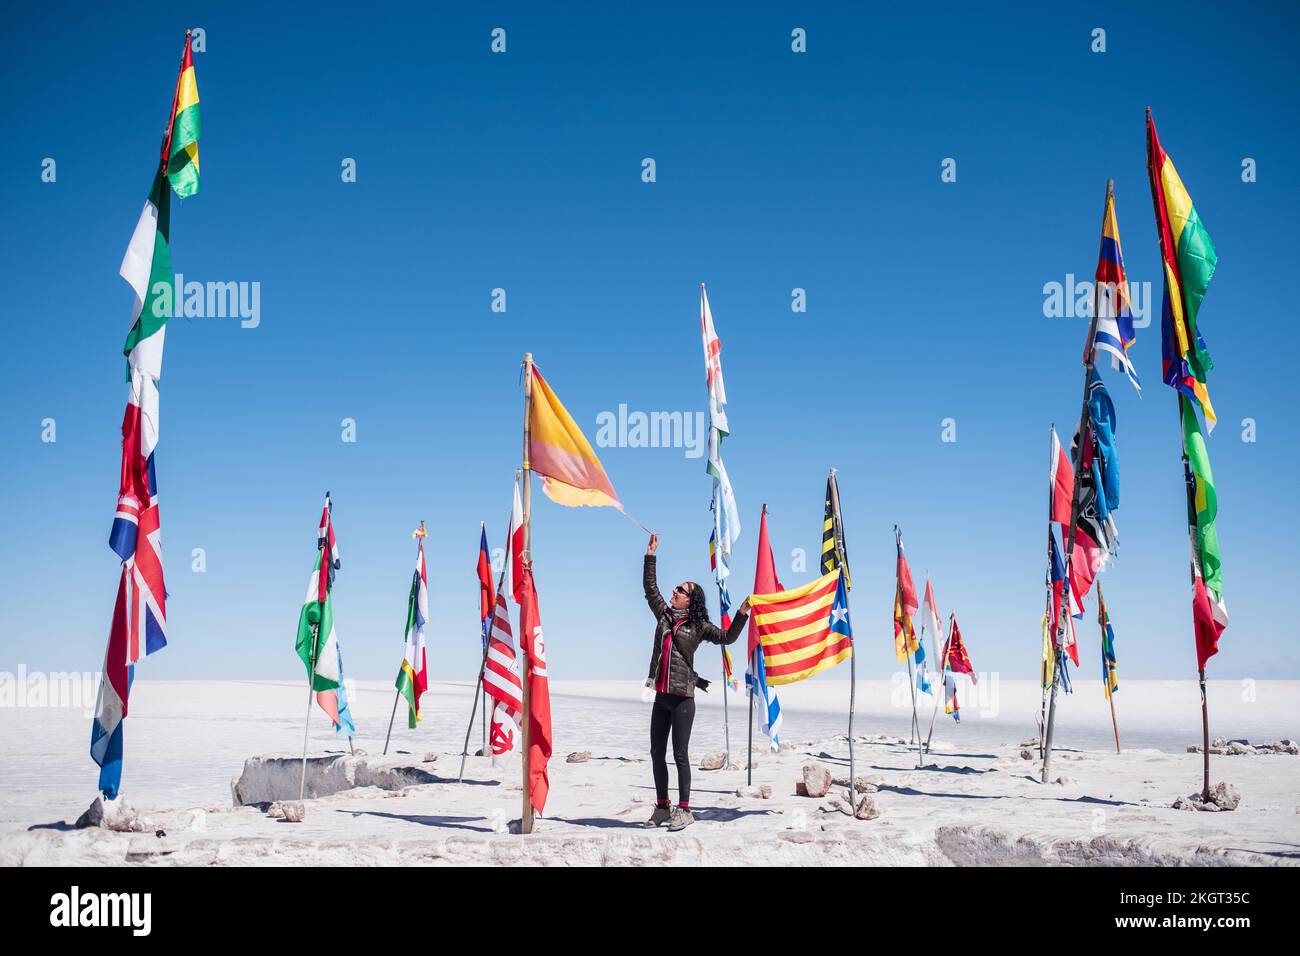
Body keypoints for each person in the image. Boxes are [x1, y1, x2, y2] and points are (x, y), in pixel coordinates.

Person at [642, 532, 749, 831]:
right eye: (675, 587)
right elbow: (650, 589)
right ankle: (662, 807)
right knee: (655, 752)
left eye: (680, 589)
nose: (673, 591)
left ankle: (684, 809)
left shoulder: (699, 626)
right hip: (662, 695)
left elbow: (728, 637)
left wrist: (741, 615)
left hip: (683, 699)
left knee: (679, 754)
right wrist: (650, 556)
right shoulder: (664, 615)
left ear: (690, 600)